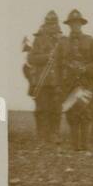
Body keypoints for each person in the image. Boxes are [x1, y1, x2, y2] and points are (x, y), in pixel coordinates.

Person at [54, 9, 93, 151]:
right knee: (72, 115)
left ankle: (85, 145)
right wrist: (58, 84)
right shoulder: (62, 43)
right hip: (68, 84)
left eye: (78, 23)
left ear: (81, 24)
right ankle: (75, 146)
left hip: (86, 82)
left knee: (85, 114)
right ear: (69, 25)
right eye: (72, 23)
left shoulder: (90, 40)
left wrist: (86, 68)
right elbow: (57, 65)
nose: (75, 26)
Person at [25, 10, 63, 141]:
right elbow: (30, 58)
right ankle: (42, 134)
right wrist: (47, 57)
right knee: (41, 109)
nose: (52, 26)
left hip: (57, 80)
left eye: (54, 23)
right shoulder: (38, 39)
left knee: (56, 109)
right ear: (45, 24)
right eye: (49, 23)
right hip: (41, 80)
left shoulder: (62, 40)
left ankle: (55, 133)